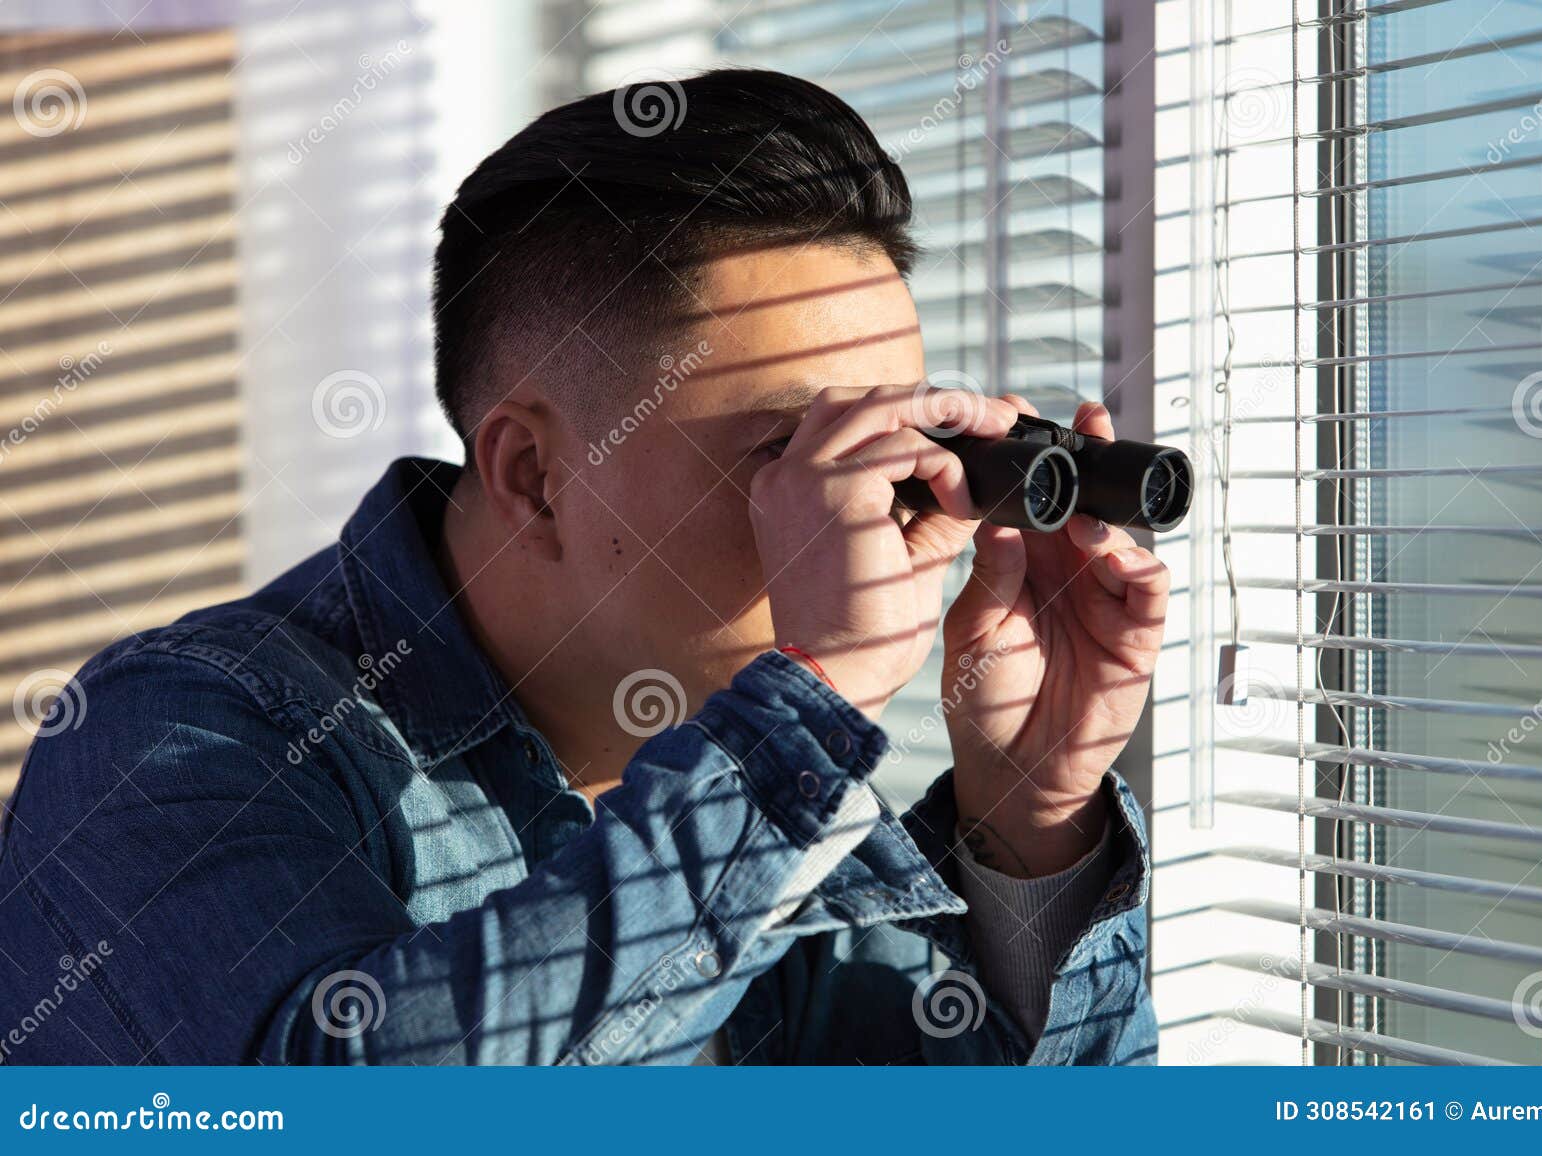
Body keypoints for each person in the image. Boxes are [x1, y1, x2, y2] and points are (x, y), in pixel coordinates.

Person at [0, 69, 1166, 1065]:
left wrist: (1031, 828)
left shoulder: (771, 783)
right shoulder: (173, 736)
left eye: (889, 452)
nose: (867, 516)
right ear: (535, 474)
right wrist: (815, 705)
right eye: (789, 457)